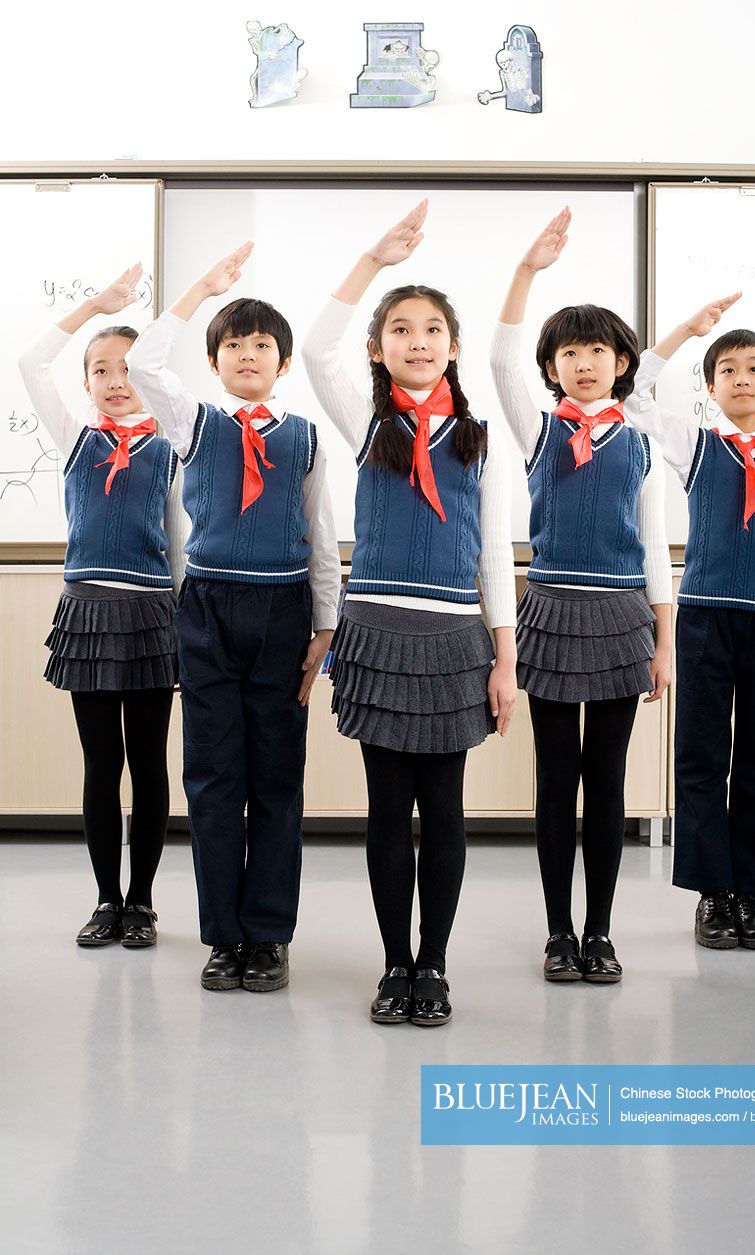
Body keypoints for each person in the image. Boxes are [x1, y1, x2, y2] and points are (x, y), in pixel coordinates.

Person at [302, 200, 517, 1026]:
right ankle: (395, 964)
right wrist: (371, 260)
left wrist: (504, 658)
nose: (418, 340)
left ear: (453, 346)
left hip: (456, 640)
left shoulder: (481, 436)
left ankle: (436, 965)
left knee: (448, 810)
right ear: (380, 345)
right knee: (388, 810)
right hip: (379, 637)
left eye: (432, 329)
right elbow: (318, 347)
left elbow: (494, 554)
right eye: (400, 328)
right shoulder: (369, 421)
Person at [126, 243, 340, 992]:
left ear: (284, 364)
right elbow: (144, 366)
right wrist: (198, 293)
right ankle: (225, 935)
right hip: (209, 608)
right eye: (233, 344)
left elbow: (319, 538)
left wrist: (325, 627)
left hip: (283, 611)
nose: (247, 354)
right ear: (213, 361)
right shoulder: (193, 422)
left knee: (277, 778)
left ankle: (269, 933)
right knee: (214, 777)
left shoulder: (306, 437)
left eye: (262, 345)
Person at [490, 208, 672, 984]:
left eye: (599, 348)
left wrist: (665, 643)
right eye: (571, 351)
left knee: (608, 782)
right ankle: (558, 931)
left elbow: (658, 548)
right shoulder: (537, 430)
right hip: (554, 613)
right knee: (555, 779)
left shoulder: (642, 442)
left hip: (625, 617)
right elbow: (499, 361)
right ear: (554, 365)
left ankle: (600, 930)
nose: (586, 361)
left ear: (624, 361)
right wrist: (527, 270)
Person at [630, 296, 755, 950]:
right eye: (727, 369)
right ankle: (712, 892)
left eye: (753, 368)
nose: (741, 378)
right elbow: (634, 395)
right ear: (711, 387)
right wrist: (687, 332)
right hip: (706, 619)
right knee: (702, 754)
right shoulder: (696, 447)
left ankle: (752, 891)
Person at [19, 264, 186, 949]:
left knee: (147, 763)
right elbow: (30, 362)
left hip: (150, 617)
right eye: (100, 369)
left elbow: (179, 545)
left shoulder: (173, 446)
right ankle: (105, 899)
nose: (116, 380)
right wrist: (93, 304)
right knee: (99, 765)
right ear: (86, 381)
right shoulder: (75, 440)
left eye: (126, 367)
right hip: (86, 616)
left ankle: (142, 902)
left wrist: (179, 620)